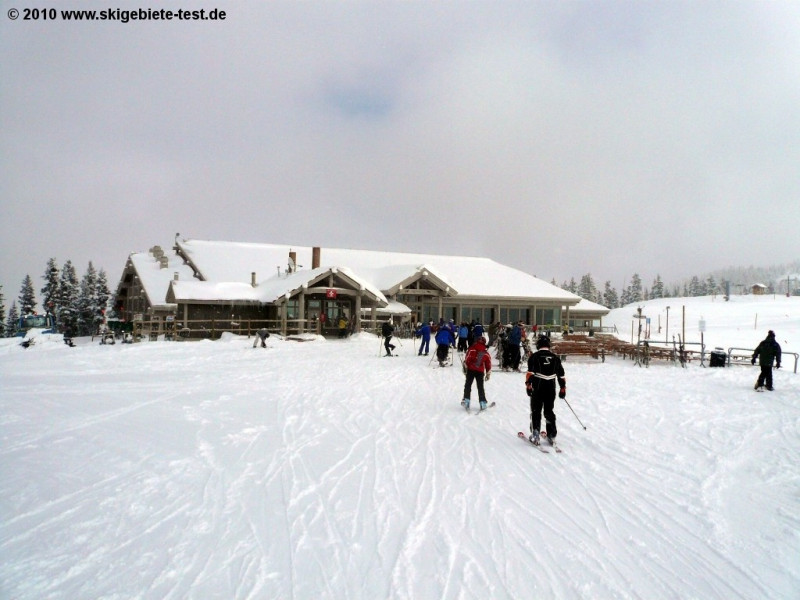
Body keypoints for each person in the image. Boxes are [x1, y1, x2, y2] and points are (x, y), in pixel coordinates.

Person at [524, 335, 566, 446]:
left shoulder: (534, 356)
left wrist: (528, 385)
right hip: (550, 388)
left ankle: (536, 433)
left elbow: (530, 373)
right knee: (549, 411)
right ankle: (551, 435)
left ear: (538, 345)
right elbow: (561, 375)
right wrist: (563, 388)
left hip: (538, 386)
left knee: (536, 411)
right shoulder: (555, 358)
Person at [462, 335, 492, 411]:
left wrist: (465, 366)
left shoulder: (472, 349)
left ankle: (466, 400)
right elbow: (488, 363)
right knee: (480, 387)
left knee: (468, 385)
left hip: (471, 370)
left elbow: (467, 358)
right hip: (480, 371)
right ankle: (482, 402)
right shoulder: (485, 353)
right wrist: (488, 372)